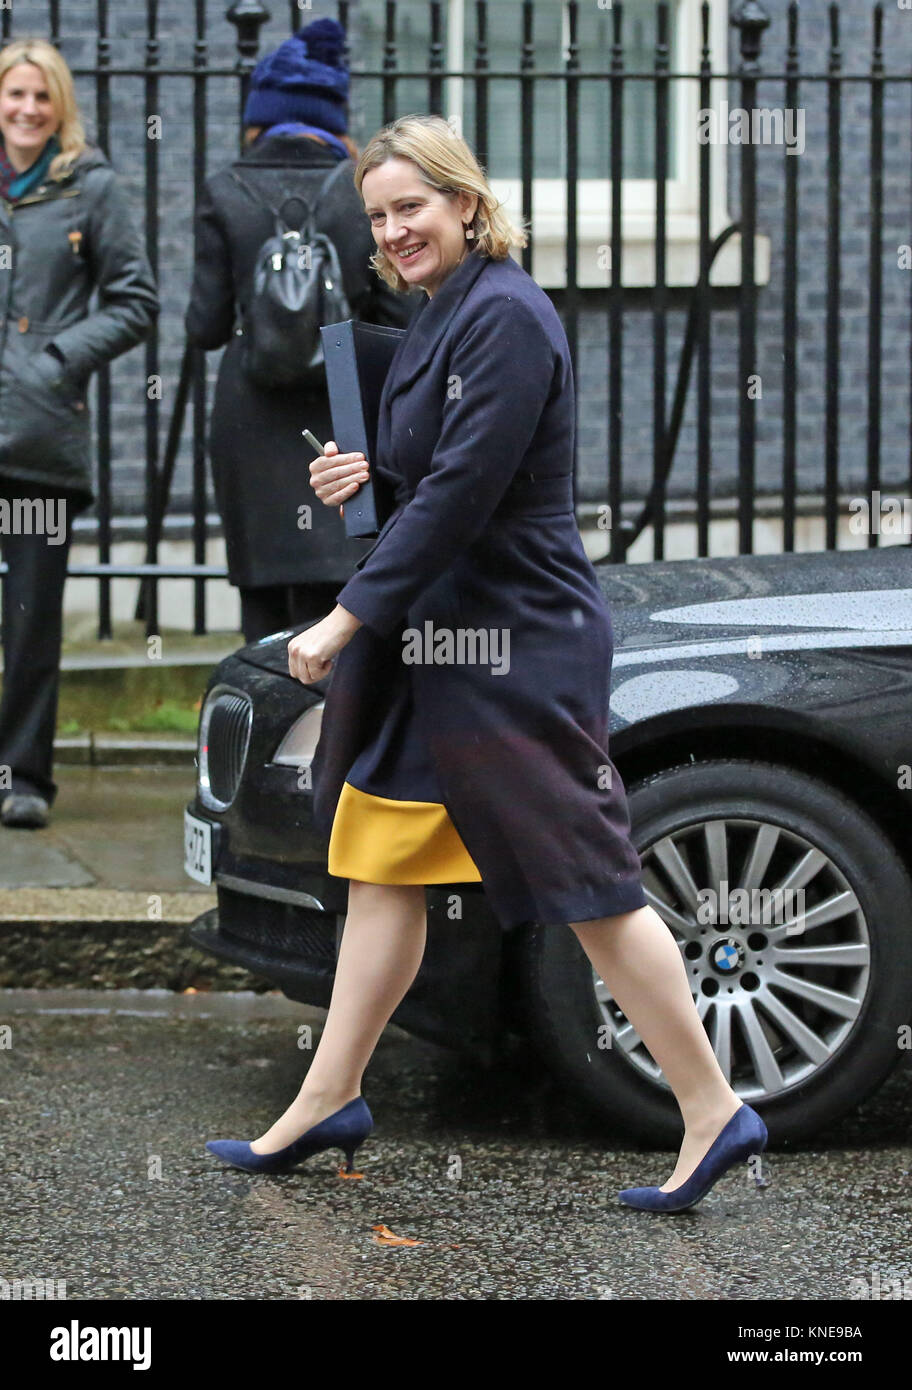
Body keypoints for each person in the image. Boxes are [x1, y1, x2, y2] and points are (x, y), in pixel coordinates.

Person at [206, 115, 768, 1213]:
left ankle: (712, 1109)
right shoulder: (445, 312)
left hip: (512, 647)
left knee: (590, 881)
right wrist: (364, 471)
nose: (394, 230)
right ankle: (330, 1095)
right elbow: (439, 470)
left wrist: (344, 619)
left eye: (411, 206)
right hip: (444, 648)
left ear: (467, 202)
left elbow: (467, 498)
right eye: (377, 217)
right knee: (380, 858)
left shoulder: (508, 316)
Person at [185, 17, 415, 646]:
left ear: (259, 117)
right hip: (340, 421)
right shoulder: (360, 192)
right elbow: (397, 322)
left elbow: (203, 328)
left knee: (262, 618)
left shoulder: (223, 190)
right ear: (334, 118)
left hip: (248, 417)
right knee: (339, 609)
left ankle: (262, 739)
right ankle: (336, 742)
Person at [0, 39, 158, 829]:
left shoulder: (88, 189)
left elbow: (136, 299)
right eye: (15, 94)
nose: (28, 109)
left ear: (60, 108)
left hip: (39, 444)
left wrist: (58, 357)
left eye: (42, 97)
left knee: (28, 619)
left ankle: (23, 778)